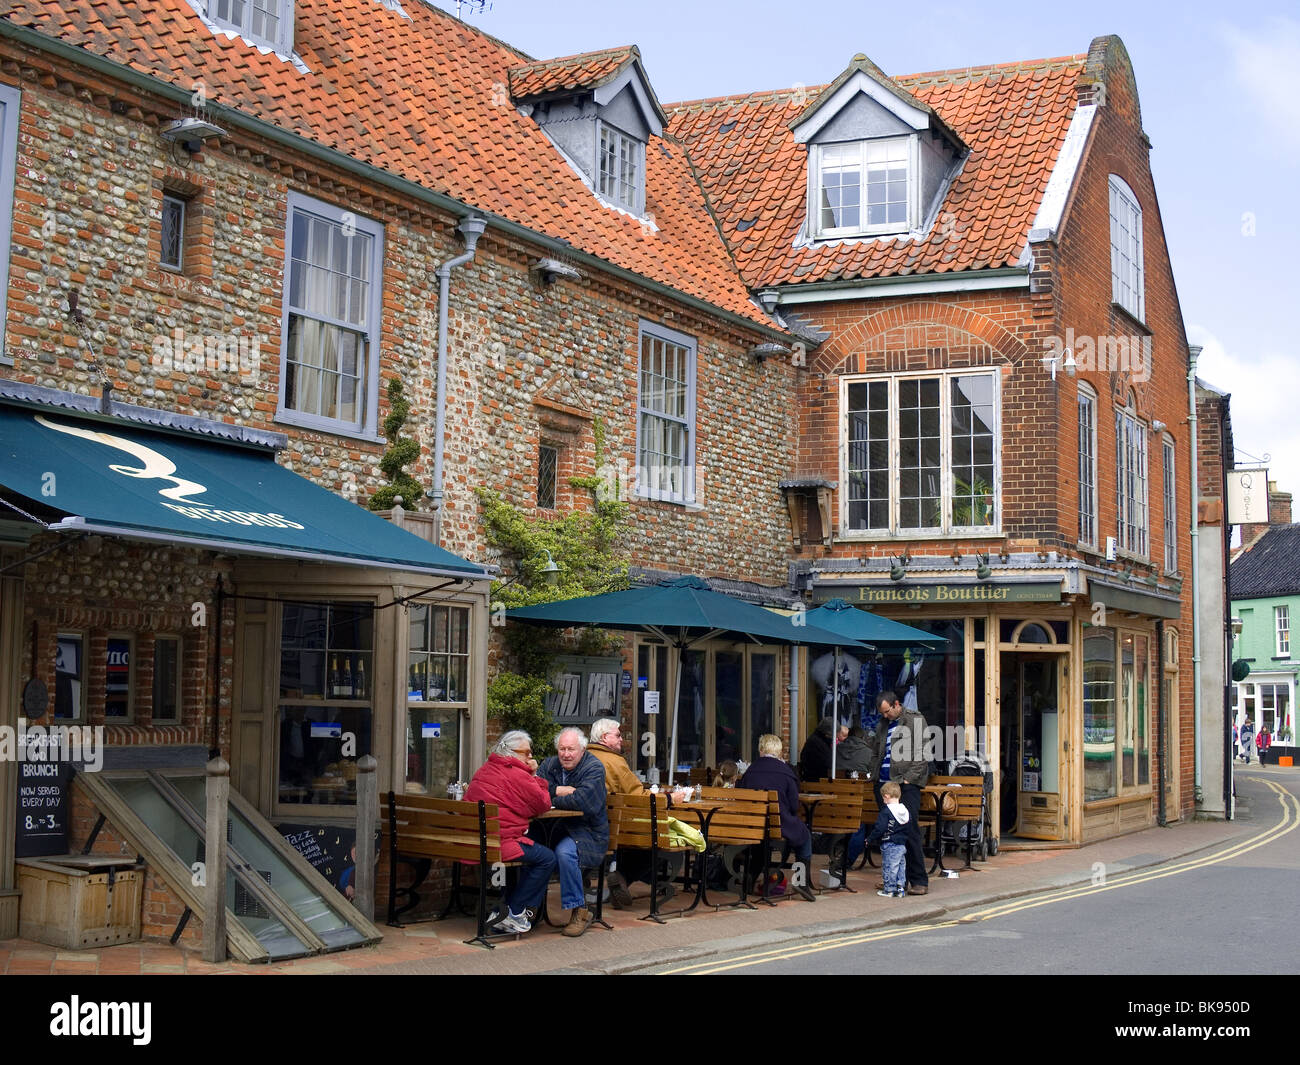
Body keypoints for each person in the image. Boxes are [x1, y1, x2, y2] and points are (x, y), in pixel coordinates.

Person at [586, 717, 687, 907]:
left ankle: (622, 880)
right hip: (612, 827)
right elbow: (638, 795)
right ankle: (623, 877)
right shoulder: (615, 761)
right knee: (656, 840)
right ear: (605, 737)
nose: (621, 739)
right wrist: (670, 798)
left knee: (638, 836)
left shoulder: (585, 756)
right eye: (617, 735)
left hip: (590, 824)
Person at [463, 730, 555, 935]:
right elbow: (543, 804)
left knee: (522, 861)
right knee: (547, 858)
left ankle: (509, 910)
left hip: (474, 841)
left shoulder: (485, 769)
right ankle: (513, 912)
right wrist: (535, 774)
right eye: (527, 753)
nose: (530, 757)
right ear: (511, 752)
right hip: (499, 843)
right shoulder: (518, 774)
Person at [536, 726, 609, 937]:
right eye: (562, 749)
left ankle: (580, 911)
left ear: (582, 750)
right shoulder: (549, 764)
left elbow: (582, 801)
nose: (566, 754)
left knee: (565, 853)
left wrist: (549, 798)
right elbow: (534, 789)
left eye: (571, 750)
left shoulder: (594, 768)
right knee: (526, 846)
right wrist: (558, 790)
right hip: (553, 829)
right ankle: (526, 909)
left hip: (588, 833)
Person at [739, 733, 816, 902]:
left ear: (760, 750)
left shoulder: (750, 771)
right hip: (779, 823)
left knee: (761, 843)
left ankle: (750, 879)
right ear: (780, 752)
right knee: (804, 836)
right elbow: (794, 805)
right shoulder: (786, 772)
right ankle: (801, 882)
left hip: (753, 824)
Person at [867, 690, 930, 895]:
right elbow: (877, 752)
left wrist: (908, 779)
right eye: (882, 713)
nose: (885, 716)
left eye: (887, 711)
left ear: (896, 704)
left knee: (909, 830)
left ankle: (919, 881)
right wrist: (874, 775)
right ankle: (893, 880)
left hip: (905, 785)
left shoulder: (915, 720)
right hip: (884, 784)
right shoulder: (883, 724)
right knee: (889, 835)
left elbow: (923, 753)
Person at [864, 780, 910, 898]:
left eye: (883, 798)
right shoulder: (904, 810)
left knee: (889, 866)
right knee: (900, 866)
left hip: (889, 843)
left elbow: (880, 828)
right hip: (902, 844)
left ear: (886, 796)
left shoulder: (886, 811)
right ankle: (900, 888)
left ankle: (889, 889)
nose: (883, 801)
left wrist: (870, 838)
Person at [798, 717, 835, 783]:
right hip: (817, 780)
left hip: (811, 778)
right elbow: (828, 763)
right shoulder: (819, 743)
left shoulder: (815, 739)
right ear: (827, 733)